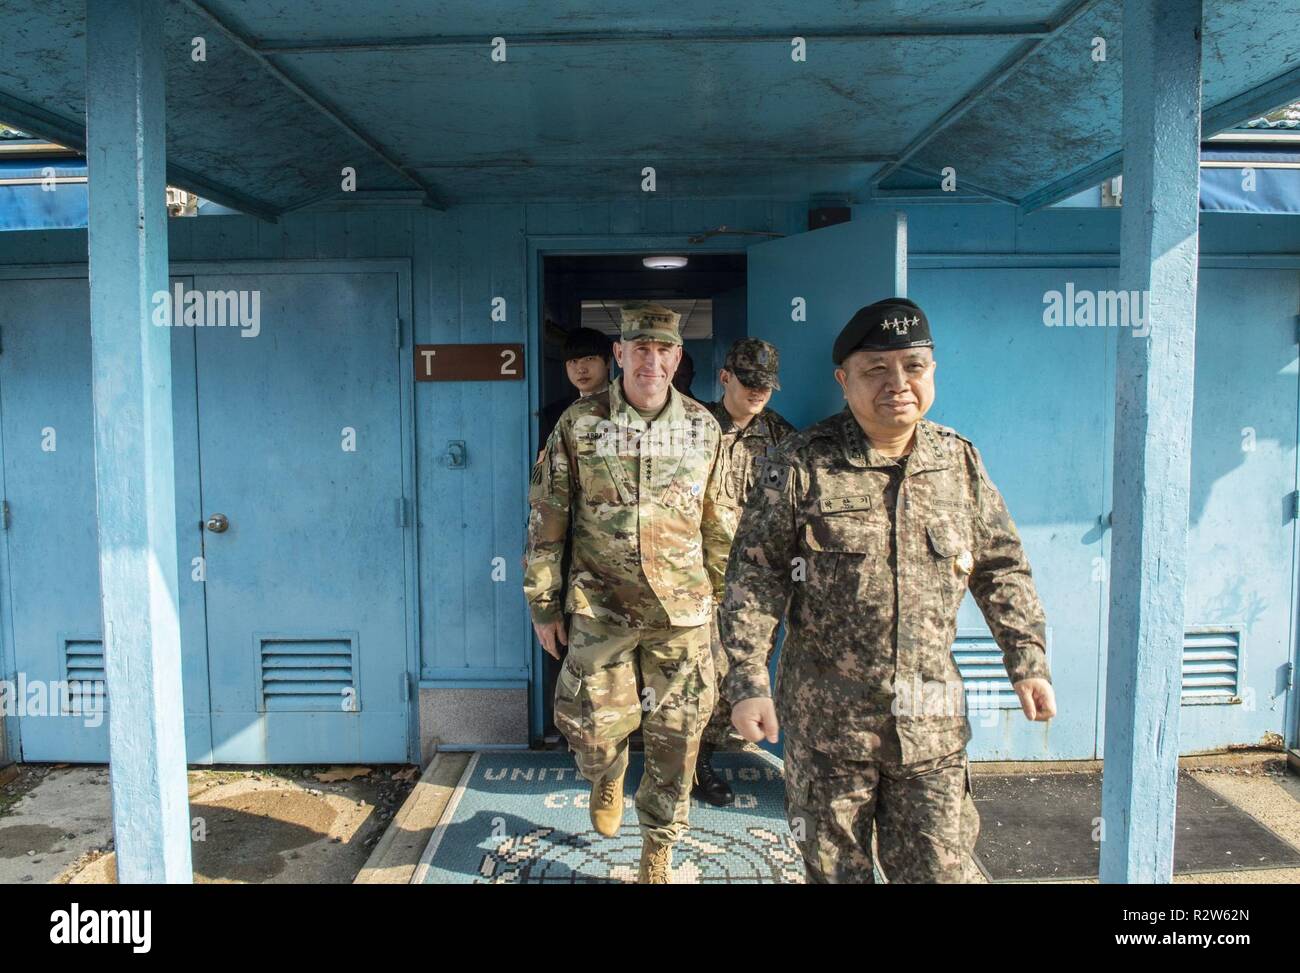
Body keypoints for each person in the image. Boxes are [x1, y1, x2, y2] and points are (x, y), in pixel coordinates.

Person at [720, 297, 1057, 883]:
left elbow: (1001, 567)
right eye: (876, 369)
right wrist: (748, 682)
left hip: (931, 729)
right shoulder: (799, 464)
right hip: (830, 733)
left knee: (939, 873)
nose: (897, 383)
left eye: (913, 366)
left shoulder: (958, 462)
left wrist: (1027, 661)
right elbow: (756, 577)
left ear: (932, 372)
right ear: (843, 380)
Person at [524, 301, 729, 883]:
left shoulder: (703, 428)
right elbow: (547, 518)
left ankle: (657, 848)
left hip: (682, 612)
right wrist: (543, 603)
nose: (651, 361)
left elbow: (718, 521)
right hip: (602, 606)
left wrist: (720, 601)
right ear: (619, 353)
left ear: (677, 358)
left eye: (663, 350)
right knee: (588, 726)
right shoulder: (579, 424)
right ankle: (607, 774)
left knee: (678, 737)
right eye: (640, 348)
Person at [694, 337, 796, 806]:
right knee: (698, 676)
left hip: (755, 587)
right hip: (698, 577)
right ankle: (689, 760)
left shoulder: (784, 439)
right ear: (725, 378)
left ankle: (709, 751)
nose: (758, 392)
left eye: (766, 386)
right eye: (749, 382)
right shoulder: (695, 428)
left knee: (740, 672)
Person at [538, 327, 612, 449]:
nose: (581, 369)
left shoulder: (628, 404)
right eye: (573, 361)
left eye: (589, 359)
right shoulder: (554, 414)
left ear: (608, 361)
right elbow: (544, 459)